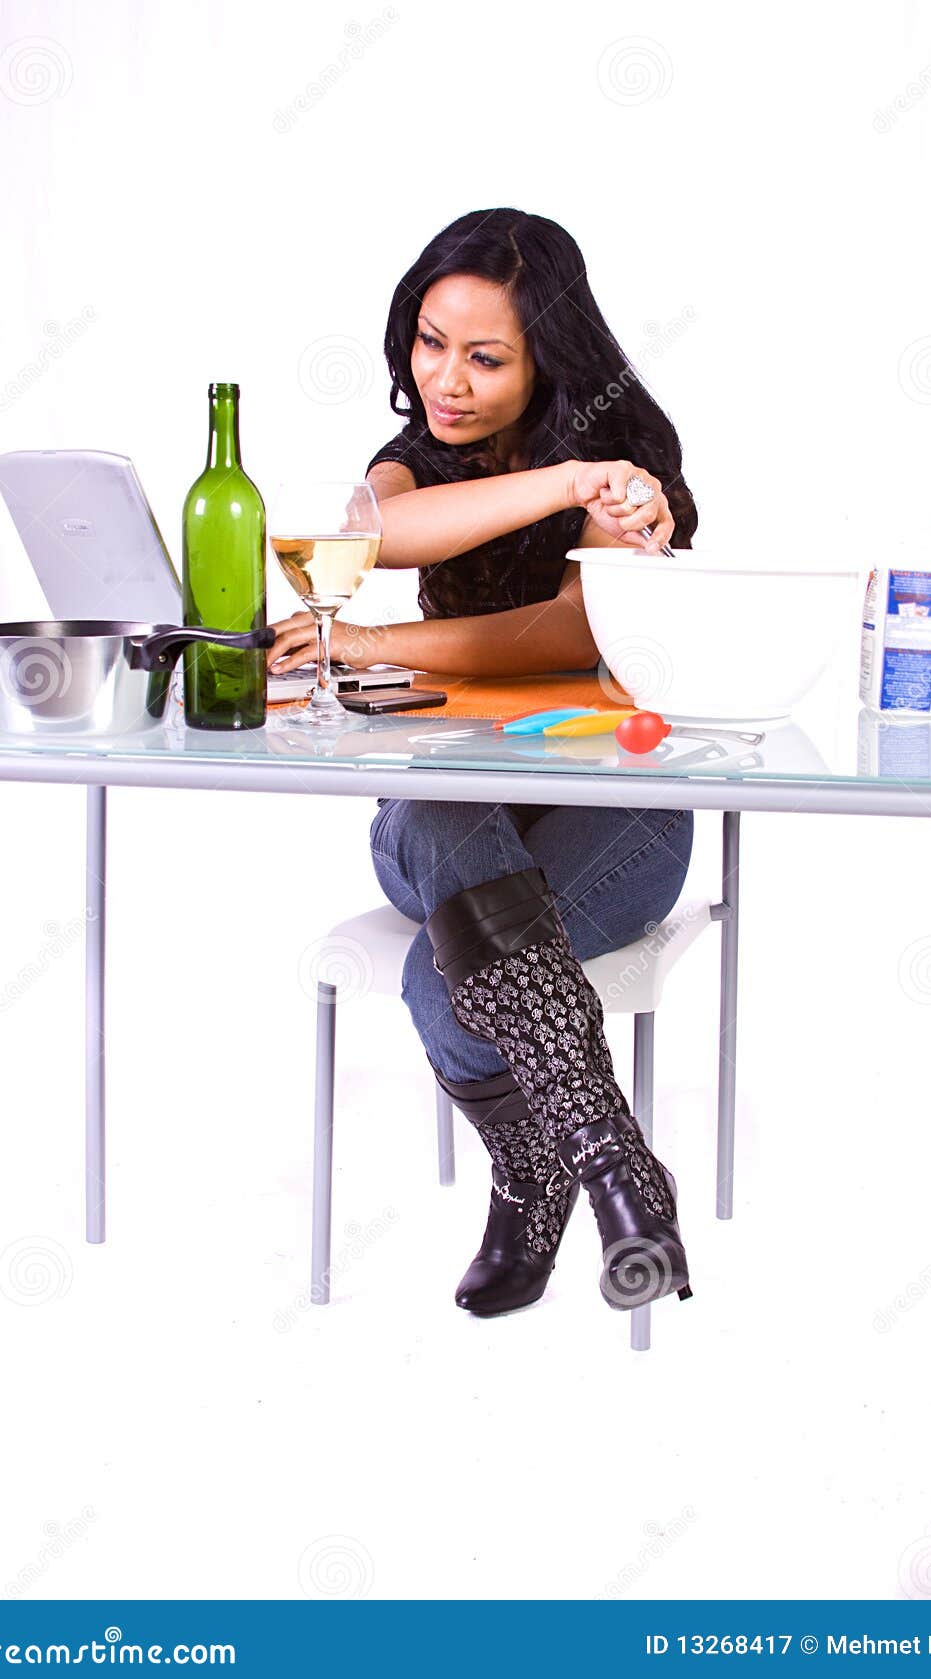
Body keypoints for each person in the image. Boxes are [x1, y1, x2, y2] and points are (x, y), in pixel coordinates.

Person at [269, 208, 698, 1319]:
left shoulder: (627, 456)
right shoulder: (420, 457)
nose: (445, 380)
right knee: (431, 808)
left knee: (439, 982)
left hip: (616, 822)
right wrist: (564, 485)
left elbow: (569, 635)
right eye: (429, 342)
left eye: (484, 357)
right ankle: (616, 1164)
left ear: (547, 355)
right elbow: (376, 531)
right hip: (446, 825)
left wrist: (369, 644)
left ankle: (530, 1177)